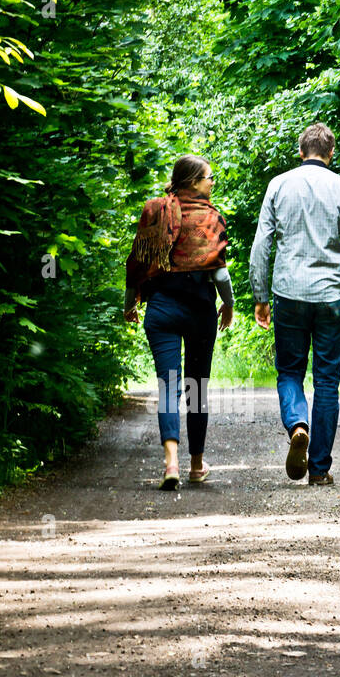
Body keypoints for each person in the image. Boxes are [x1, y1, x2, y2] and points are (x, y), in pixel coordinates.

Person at [249, 122, 340, 486]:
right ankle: (319, 469)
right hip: (330, 296)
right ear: (331, 154)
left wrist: (260, 296)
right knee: (328, 382)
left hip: (289, 294)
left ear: (300, 152)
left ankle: (297, 424)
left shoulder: (278, 185)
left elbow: (261, 247)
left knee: (289, 372)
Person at [125, 155, 234, 490]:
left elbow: (138, 263)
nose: (212, 183)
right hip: (199, 311)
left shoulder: (155, 211)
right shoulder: (210, 218)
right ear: (192, 182)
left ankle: (171, 462)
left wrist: (130, 304)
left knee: (168, 386)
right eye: (208, 178)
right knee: (196, 388)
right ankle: (196, 465)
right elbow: (218, 271)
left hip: (161, 310)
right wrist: (228, 303)